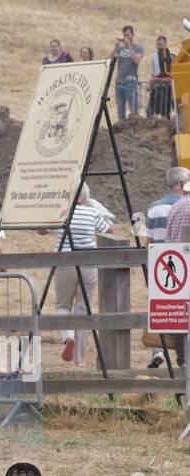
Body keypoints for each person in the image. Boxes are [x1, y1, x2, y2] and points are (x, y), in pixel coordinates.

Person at [50, 184, 111, 368]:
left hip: (65, 262)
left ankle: (68, 337)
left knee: (62, 304)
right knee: (83, 309)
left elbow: (42, 229)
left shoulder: (62, 213)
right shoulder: (92, 213)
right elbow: (110, 231)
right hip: (88, 263)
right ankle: (80, 358)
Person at [147, 167, 189, 369]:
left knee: (171, 314)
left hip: (167, 266)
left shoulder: (161, 208)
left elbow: (153, 241)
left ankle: (174, 357)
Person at [112, 27, 145, 122]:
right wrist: (115, 47)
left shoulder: (138, 47)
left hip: (131, 82)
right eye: (124, 35)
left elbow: (136, 60)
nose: (126, 37)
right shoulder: (120, 48)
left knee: (134, 110)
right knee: (120, 111)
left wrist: (129, 46)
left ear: (133, 35)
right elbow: (110, 60)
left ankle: (134, 130)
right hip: (119, 82)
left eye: (128, 35)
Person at [148, 35, 174, 118]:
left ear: (165, 44)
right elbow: (153, 72)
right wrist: (150, 84)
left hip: (166, 88)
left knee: (165, 112)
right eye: (157, 44)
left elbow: (171, 77)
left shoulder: (171, 56)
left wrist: (157, 79)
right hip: (156, 88)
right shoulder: (154, 56)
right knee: (151, 110)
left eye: (160, 44)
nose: (158, 47)